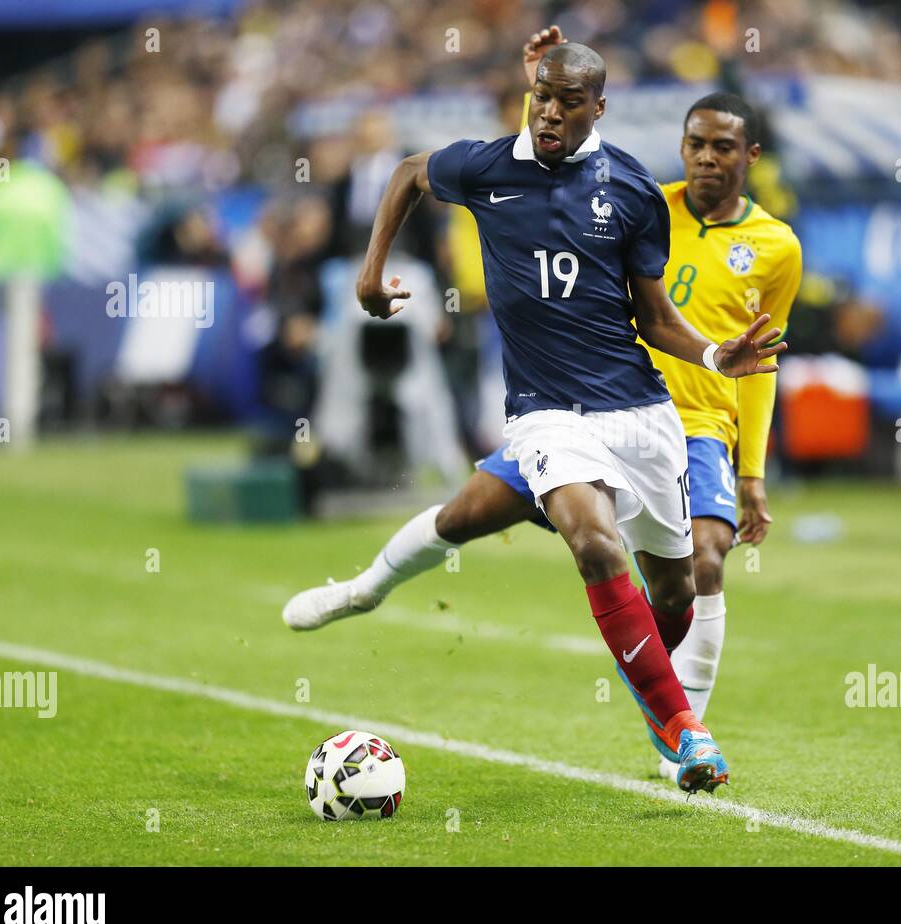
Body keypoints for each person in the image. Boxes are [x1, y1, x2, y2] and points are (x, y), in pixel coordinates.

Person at [283, 38, 785, 794]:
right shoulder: (488, 167)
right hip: (547, 413)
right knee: (593, 540)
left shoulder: (633, 191)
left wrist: (715, 358)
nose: (551, 111)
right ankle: (686, 735)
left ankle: (664, 708)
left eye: (569, 100)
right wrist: (369, 270)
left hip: (640, 412)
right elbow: (407, 173)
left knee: (675, 590)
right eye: (542, 95)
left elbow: (652, 317)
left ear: (599, 108)